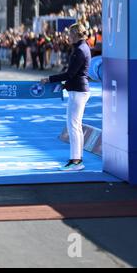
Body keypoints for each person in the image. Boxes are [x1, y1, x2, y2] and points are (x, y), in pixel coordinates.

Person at [41, 23, 91, 171]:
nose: (67, 37)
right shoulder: (83, 48)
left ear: (75, 35)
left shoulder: (79, 50)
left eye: (69, 34)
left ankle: (76, 161)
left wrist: (49, 79)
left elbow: (70, 74)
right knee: (76, 126)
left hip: (78, 91)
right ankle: (77, 159)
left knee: (73, 126)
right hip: (78, 89)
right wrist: (64, 85)